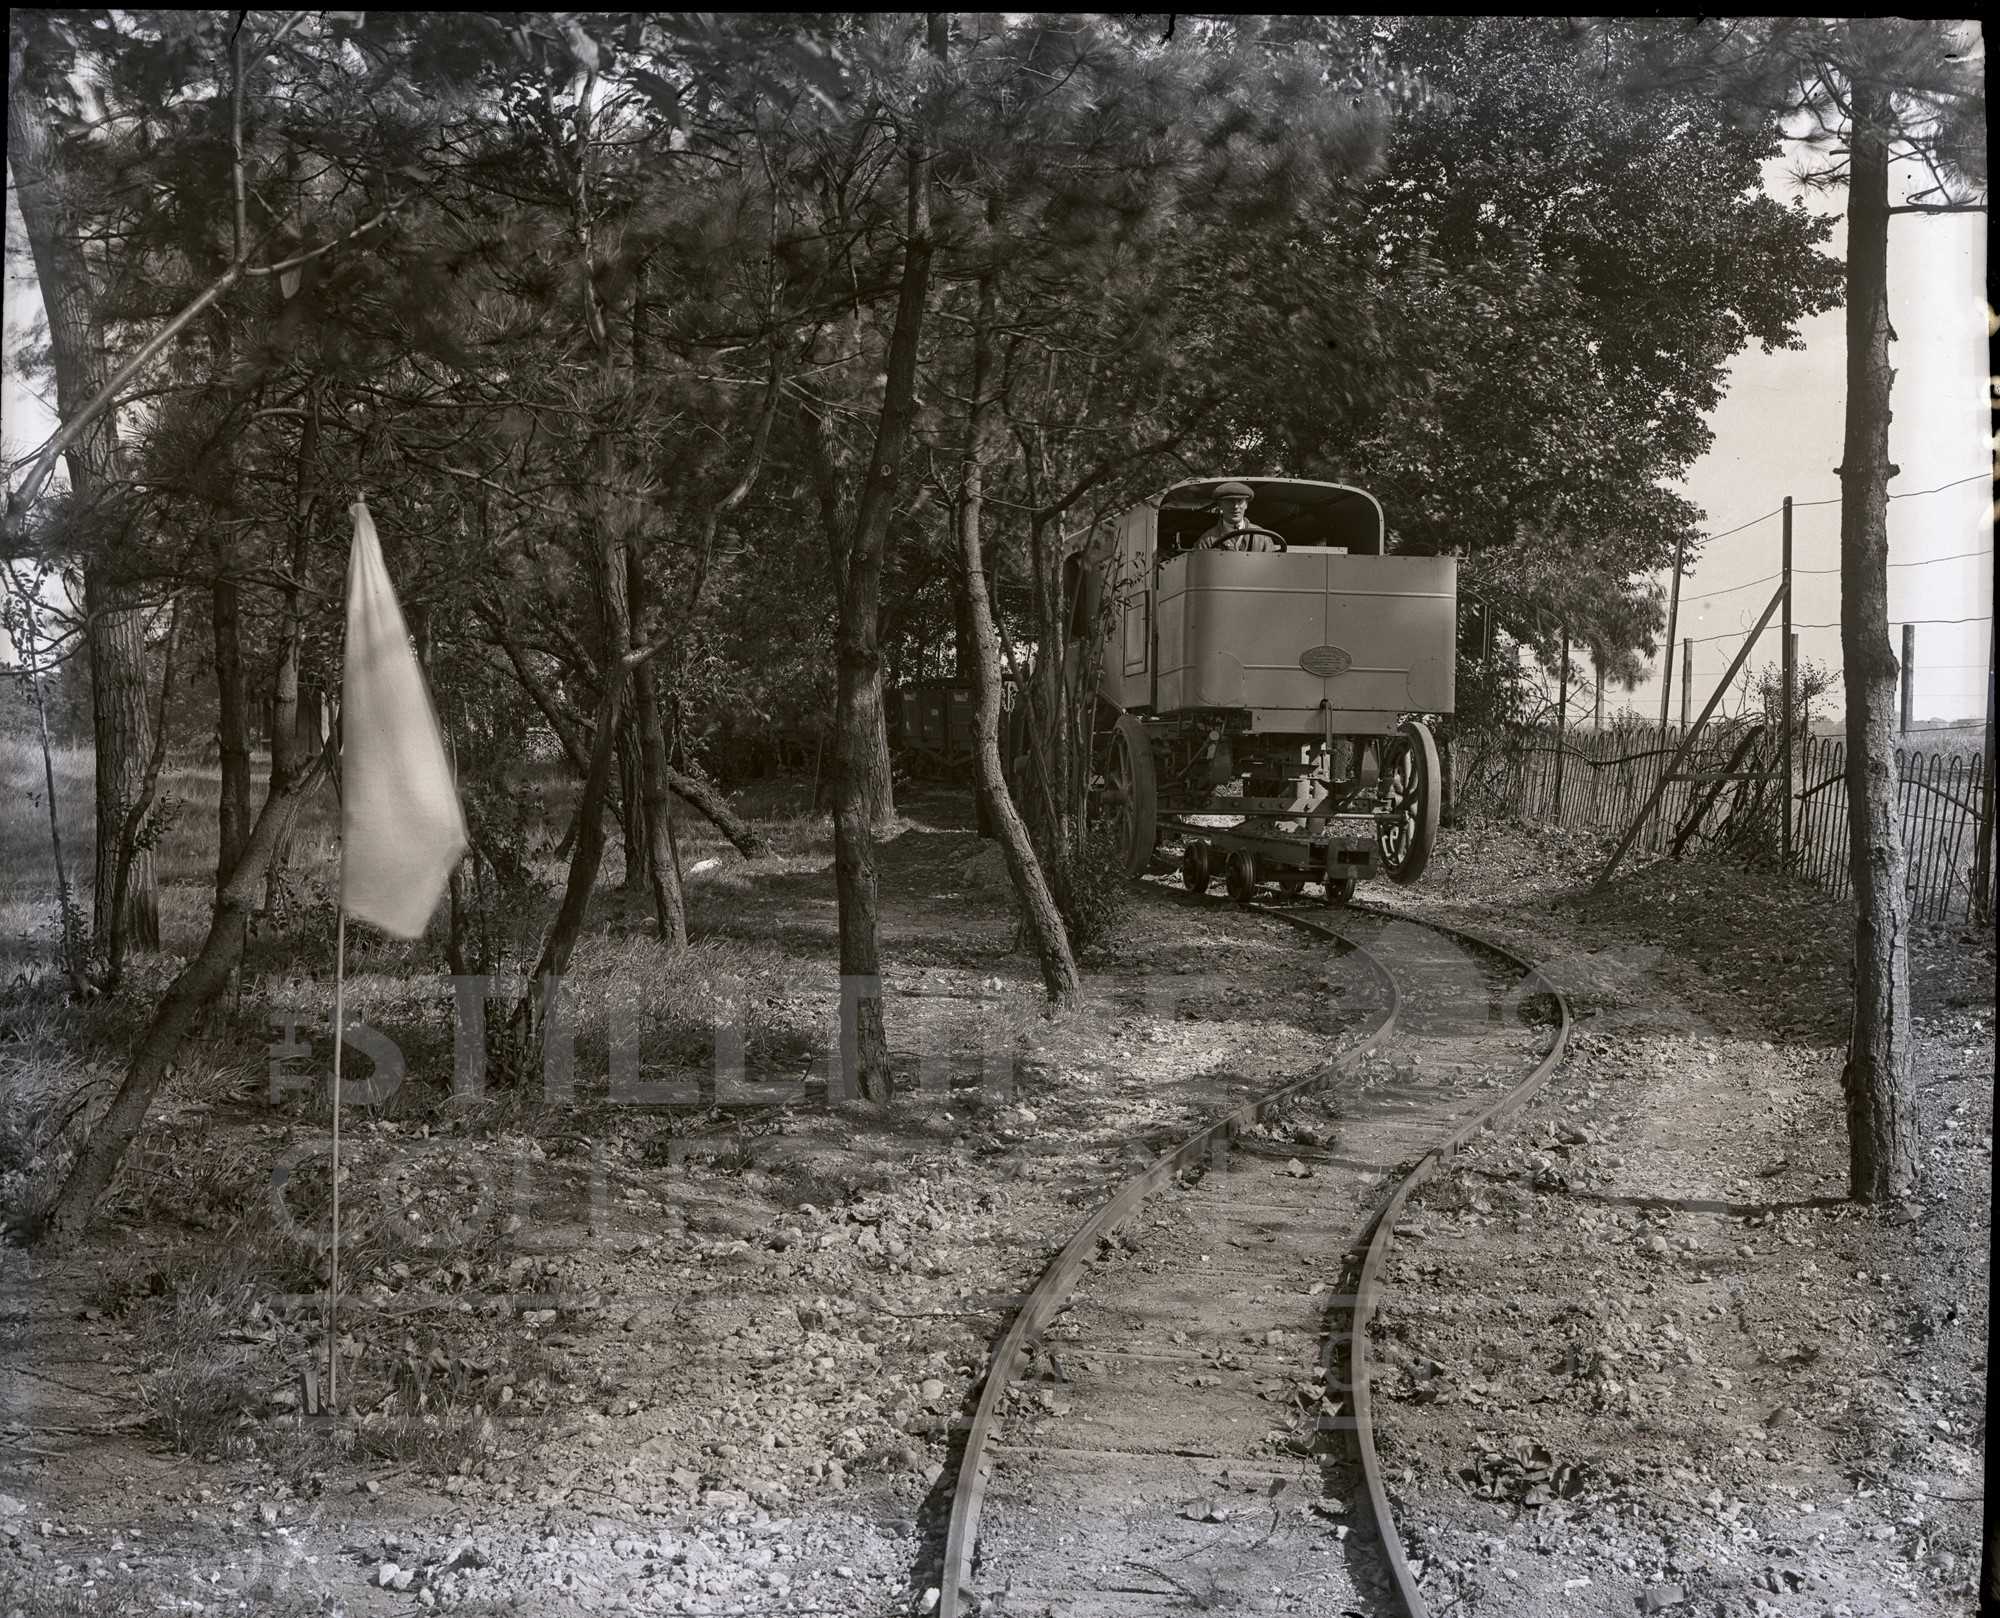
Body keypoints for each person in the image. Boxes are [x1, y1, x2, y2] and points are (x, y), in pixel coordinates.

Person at [1195, 482, 1285, 552]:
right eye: (1230, 501)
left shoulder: (1262, 537)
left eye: (1240, 501)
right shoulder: (1207, 540)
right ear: (1220, 505)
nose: (1236, 507)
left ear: (1246, 505)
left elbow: (1271, 569)